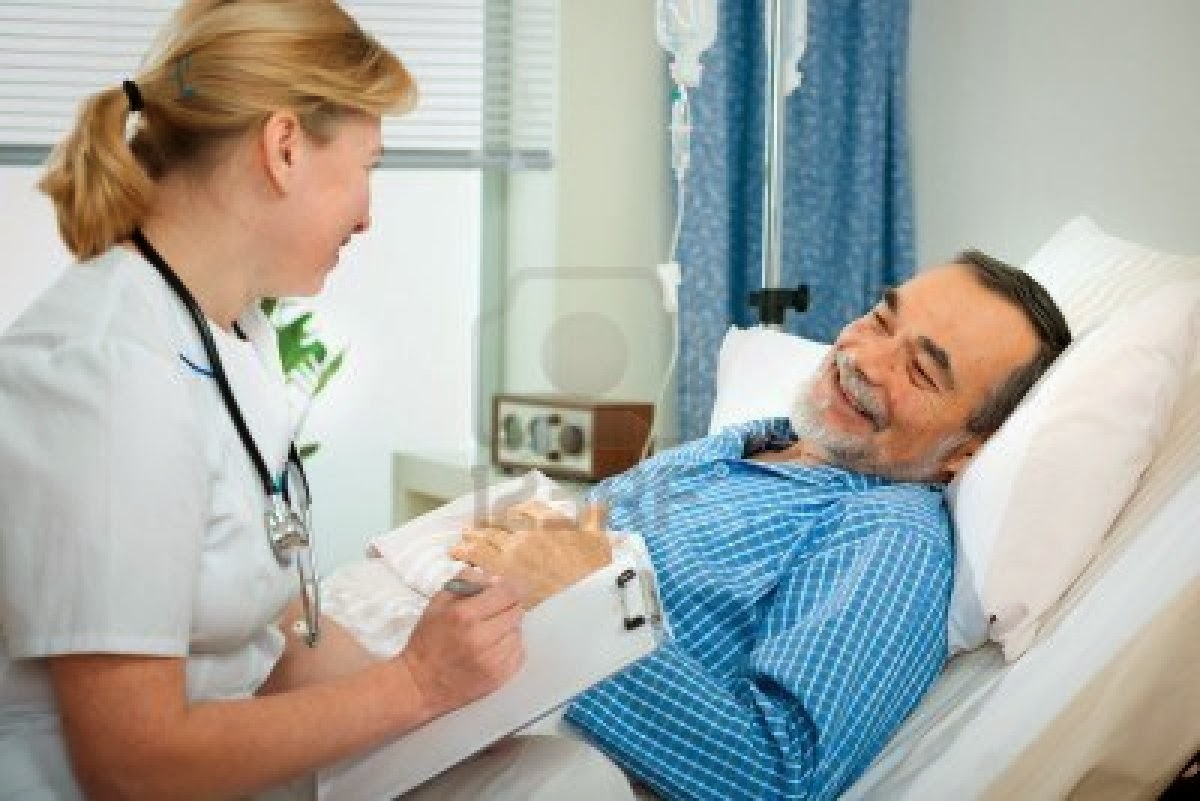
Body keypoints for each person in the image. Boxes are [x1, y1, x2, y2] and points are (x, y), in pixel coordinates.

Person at [0, 2, 533, 798]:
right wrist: (415, 685)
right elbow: (130, 762)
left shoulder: (233, 334)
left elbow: (276, 633)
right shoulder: (109, 373)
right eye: (368, 165)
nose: (368, 214)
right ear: (284, 148)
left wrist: (455, 706)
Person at [452, 252, 1073, 800]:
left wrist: (586, 603)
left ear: (966, 449)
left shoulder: (889, 537)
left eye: (922, 373)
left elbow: (779, 776)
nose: (864, 360)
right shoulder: (748, 442)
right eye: (882, 321)